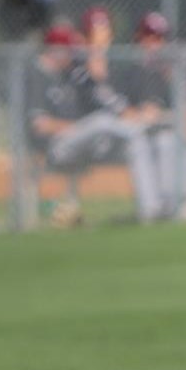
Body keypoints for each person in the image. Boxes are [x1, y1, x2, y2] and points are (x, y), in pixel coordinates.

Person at [25, 23, 134, 228]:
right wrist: (75, 127)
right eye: (68, 50)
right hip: (53, 147)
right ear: (55, 50)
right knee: (103, 121)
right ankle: (137, 130)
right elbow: (40, 125)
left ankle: (153, 211)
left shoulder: (65, 76)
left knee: (131, 146)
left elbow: (97, 83)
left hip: (75, 143)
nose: (72, 56)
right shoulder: (38, 75)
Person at [104, 11, 183, 222]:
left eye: (160, 37)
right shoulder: (125, 67)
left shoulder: (170, 72)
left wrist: (160, 113)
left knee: (166, 142)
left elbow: (183, 108)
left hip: (161, 128)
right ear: (139, 37)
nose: (155, 43)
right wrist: (140, 114)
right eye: (150, 36)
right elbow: (116, 104)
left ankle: (170, 206)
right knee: (139, 143)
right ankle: (150, 209)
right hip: (129, 131)